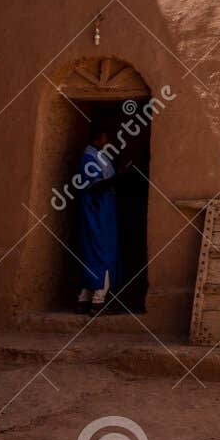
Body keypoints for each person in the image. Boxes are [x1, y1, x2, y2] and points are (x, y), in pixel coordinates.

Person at [74, 127, 120, 316]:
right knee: (103, 254)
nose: (106, 141)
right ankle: (98, 301)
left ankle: (84, 299)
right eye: (104, 138)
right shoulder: (89, 159)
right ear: (97, 139)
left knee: (92, 253)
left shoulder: (96, 157)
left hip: (100, 213)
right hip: (97, 214)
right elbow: (94, 186)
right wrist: (118, 178)